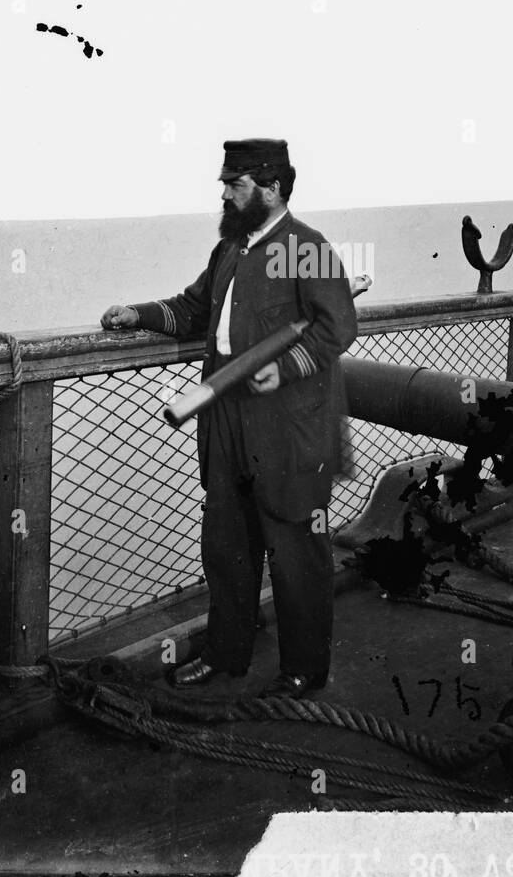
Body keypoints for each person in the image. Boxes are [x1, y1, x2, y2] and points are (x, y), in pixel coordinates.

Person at [100, 138, 358, 696]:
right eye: (224, 183)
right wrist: (139, 313)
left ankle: (302, 671)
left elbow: (336, 327)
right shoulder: (230, 252)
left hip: (290, 430)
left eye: (234, 184)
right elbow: (194, 310)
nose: (224, 193)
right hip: (226, 424)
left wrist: (286, 368)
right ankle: (226, 655)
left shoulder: (307, 248)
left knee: (296, 554)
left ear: (273, 188)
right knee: (227, 547)